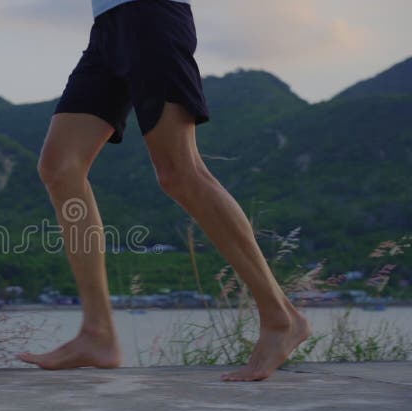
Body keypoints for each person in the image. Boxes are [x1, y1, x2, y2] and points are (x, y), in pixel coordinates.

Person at [17, 0, 311, 381]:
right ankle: (97, 333)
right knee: (59, 168)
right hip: (107, 27)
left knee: (179, 171)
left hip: (151, 15)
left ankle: (281, 316)